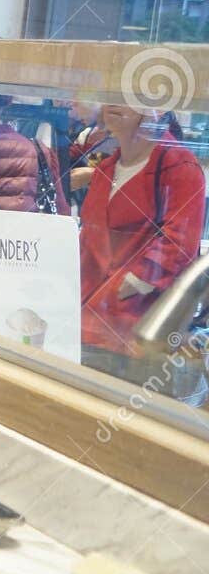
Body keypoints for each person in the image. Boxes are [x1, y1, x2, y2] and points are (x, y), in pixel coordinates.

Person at [79, 103, 207, 397]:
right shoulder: (107, 169)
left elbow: (179, 240)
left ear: (157, 108)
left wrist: (135, 282)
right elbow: (90, 235)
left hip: (140, 330)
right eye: (112, 94)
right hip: (91, 322)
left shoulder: (178, 165)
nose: (115, 104)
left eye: (129, 96)